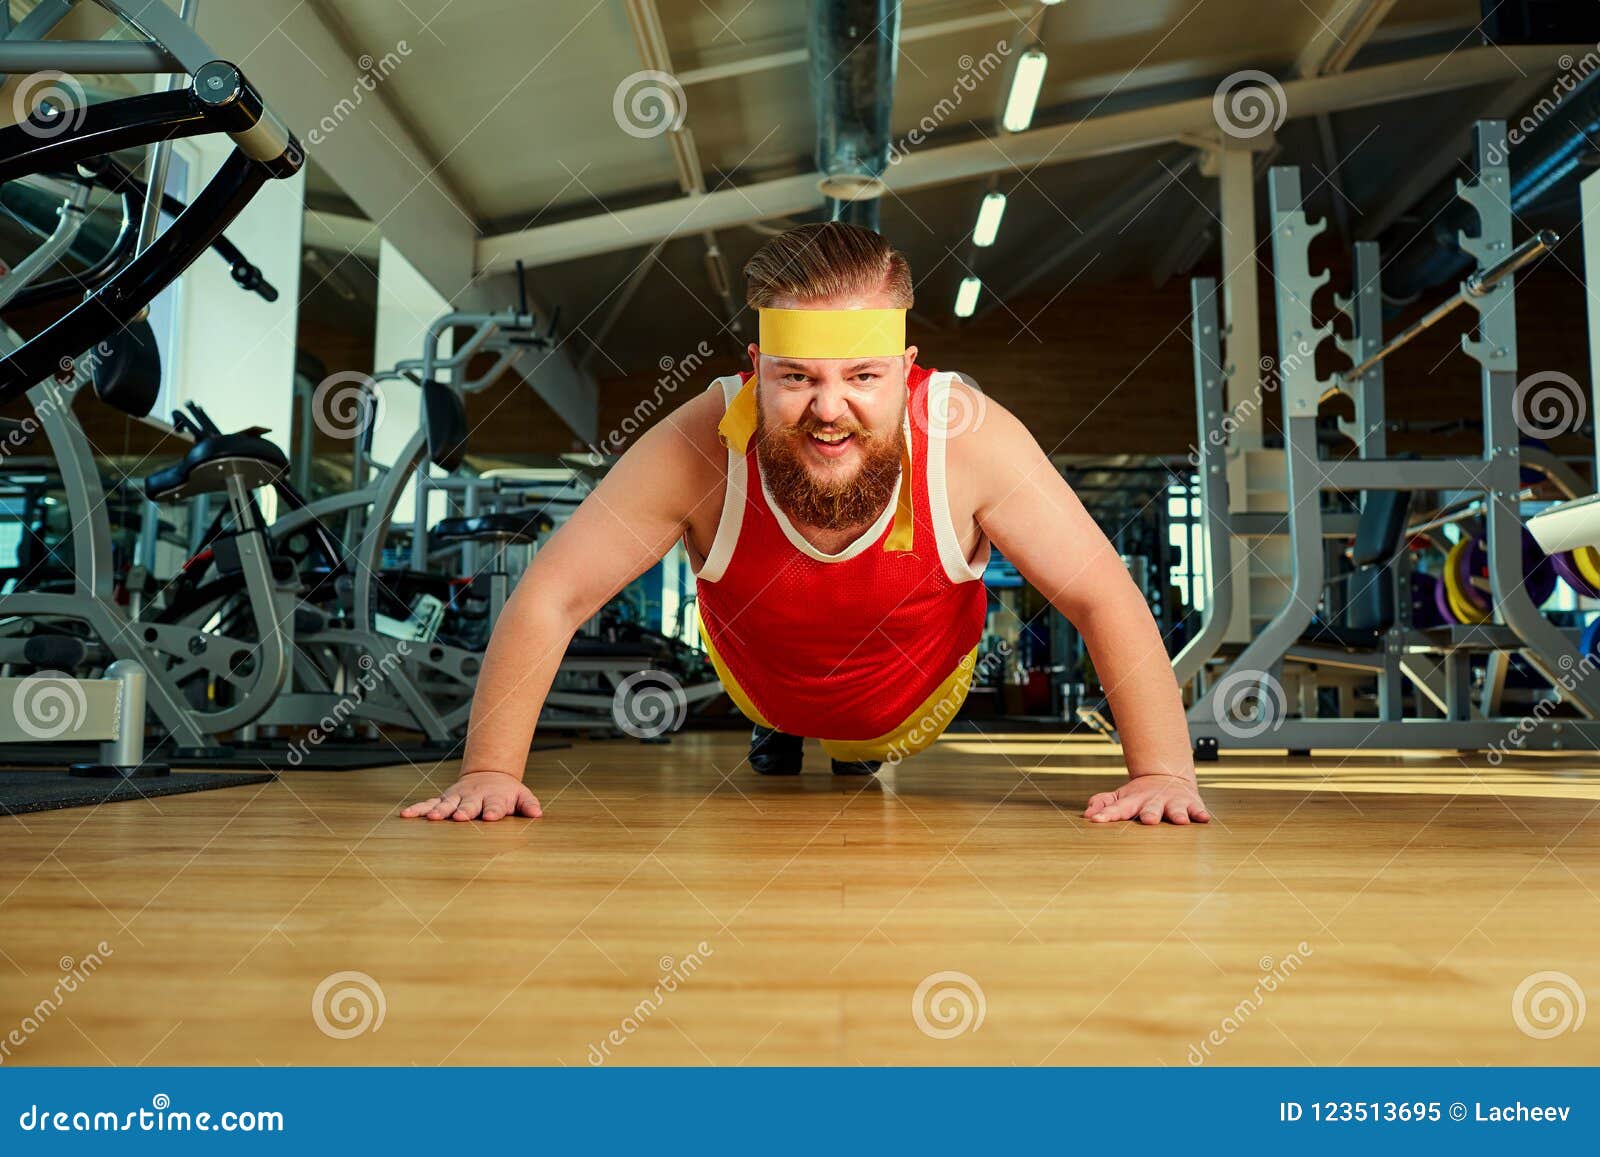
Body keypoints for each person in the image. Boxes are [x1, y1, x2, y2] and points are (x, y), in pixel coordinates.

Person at [401, 222, 1210, 826]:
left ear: (906, 370)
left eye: (862, 375)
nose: (830, 410)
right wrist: (489, 770)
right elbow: (554, 593)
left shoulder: (969, 434)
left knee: (867, 745)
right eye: (797, 378)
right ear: (755, 370)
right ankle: (784, 731)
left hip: (914, 702)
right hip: (760, 682)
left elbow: (1103, 594)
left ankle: (854, 747)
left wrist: (1165, 772)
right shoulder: (698, 440)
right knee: (779, 719)